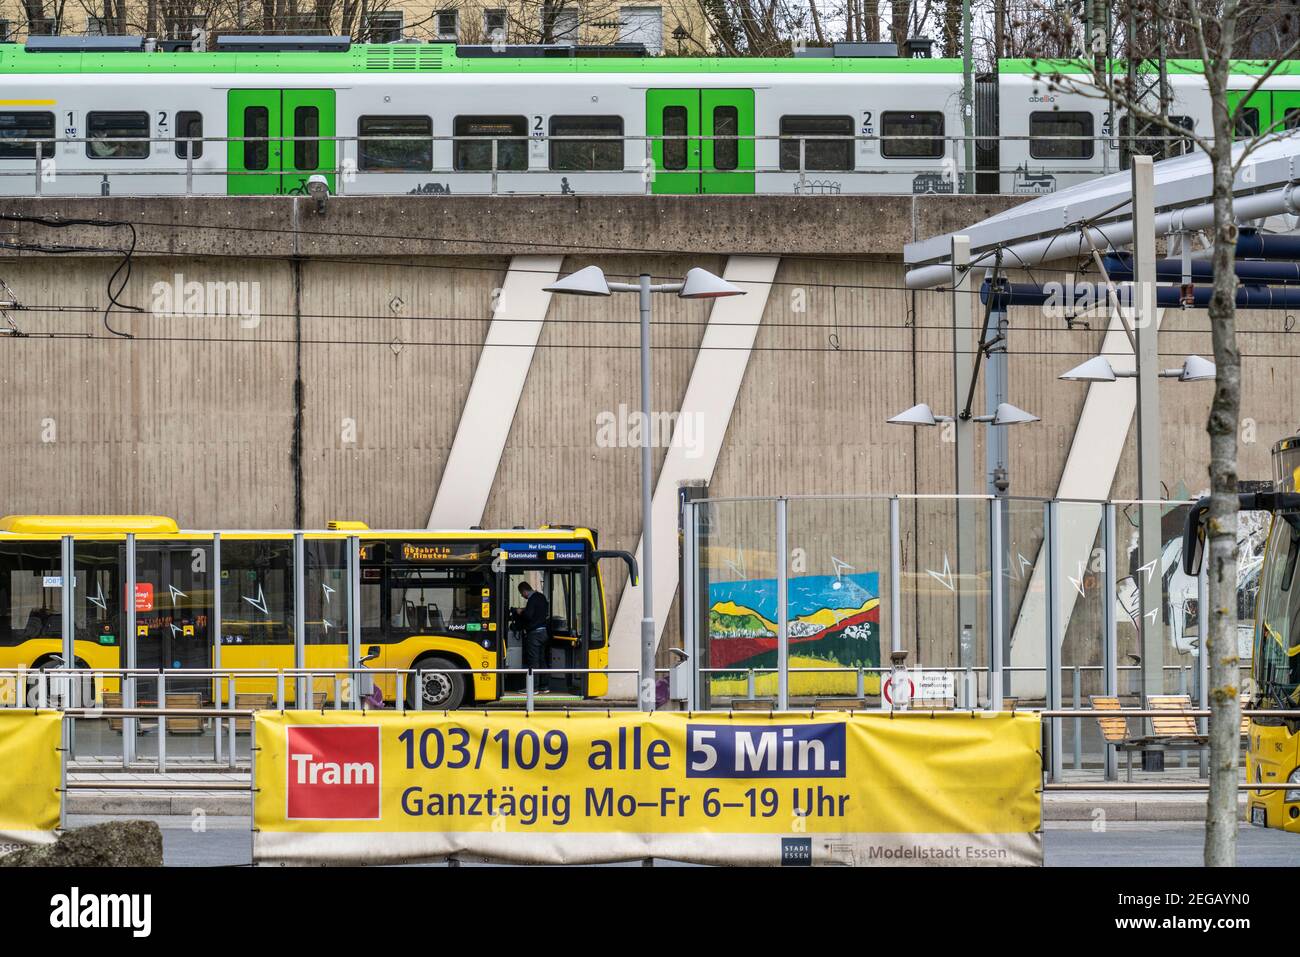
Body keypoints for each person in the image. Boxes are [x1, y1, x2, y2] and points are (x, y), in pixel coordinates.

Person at [513, 581, 551, 693]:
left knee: (533, 661)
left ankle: (533, 688)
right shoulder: (541, 597)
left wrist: (520, 612)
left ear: (524, 591)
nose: (522, 596)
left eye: (521, 594)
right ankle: (544, 686)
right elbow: (538, 612)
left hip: (534, 634)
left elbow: (529, 616)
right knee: (542, 660)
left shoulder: (532, 599)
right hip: (544, 633)